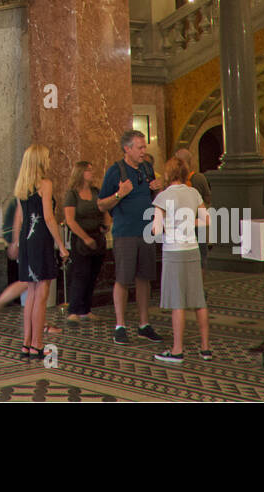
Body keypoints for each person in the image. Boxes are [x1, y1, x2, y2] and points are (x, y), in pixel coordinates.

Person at [0, 144, 69, 359]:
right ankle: (38, 344)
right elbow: (49, 218)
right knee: (40, 296)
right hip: (40, 239)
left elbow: (20, 218)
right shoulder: (45, 184)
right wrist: (61, 245)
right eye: (47, 157)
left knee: (31, 295)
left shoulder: (22, 186)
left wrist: (15, 242)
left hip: (26, 240)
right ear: (40, 161)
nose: (49, 160)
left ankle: (27, 344)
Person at [98, 130, 164, 345]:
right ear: (127, 149)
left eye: (144, 147)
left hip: (146, 231)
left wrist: (157, 189)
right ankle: (120, 325)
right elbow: (101, 204)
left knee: (144, 278)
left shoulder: (146, 168)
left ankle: (144, 324)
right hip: (125, 232)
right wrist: (120, 194)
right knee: (124, 279)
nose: (144, 151)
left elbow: (153, 197)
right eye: (140, 147)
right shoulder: (115, 171)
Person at [150, 156, 211, 363]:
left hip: (173, 251)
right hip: (192, 249)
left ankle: (177, 350)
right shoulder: (193, 192)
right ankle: (205, 348)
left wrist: (168, 224)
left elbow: (156, 229)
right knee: (198, 300)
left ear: (168, 174)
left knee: (178, 302)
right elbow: (206, 221)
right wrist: (186, 221)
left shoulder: (163, 197)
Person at [63, 161, 109, 322]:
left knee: (92, 274)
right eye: (88, 170)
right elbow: (70, 220)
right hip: (81, 239)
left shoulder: (96, 192)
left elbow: (104, 210)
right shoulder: (73, 194)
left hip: (97, 236)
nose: (92, 172)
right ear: (80, 173)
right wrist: (85, 237)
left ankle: (86, 309)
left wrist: (106, 225)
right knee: (80, 273)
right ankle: (73, 309)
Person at [175, 148, 212, 271]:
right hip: (193, 222)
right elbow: (208, 199)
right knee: (199, 255)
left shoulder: (178, 180)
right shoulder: (198, 178)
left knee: (194, 255)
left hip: (188, 223)